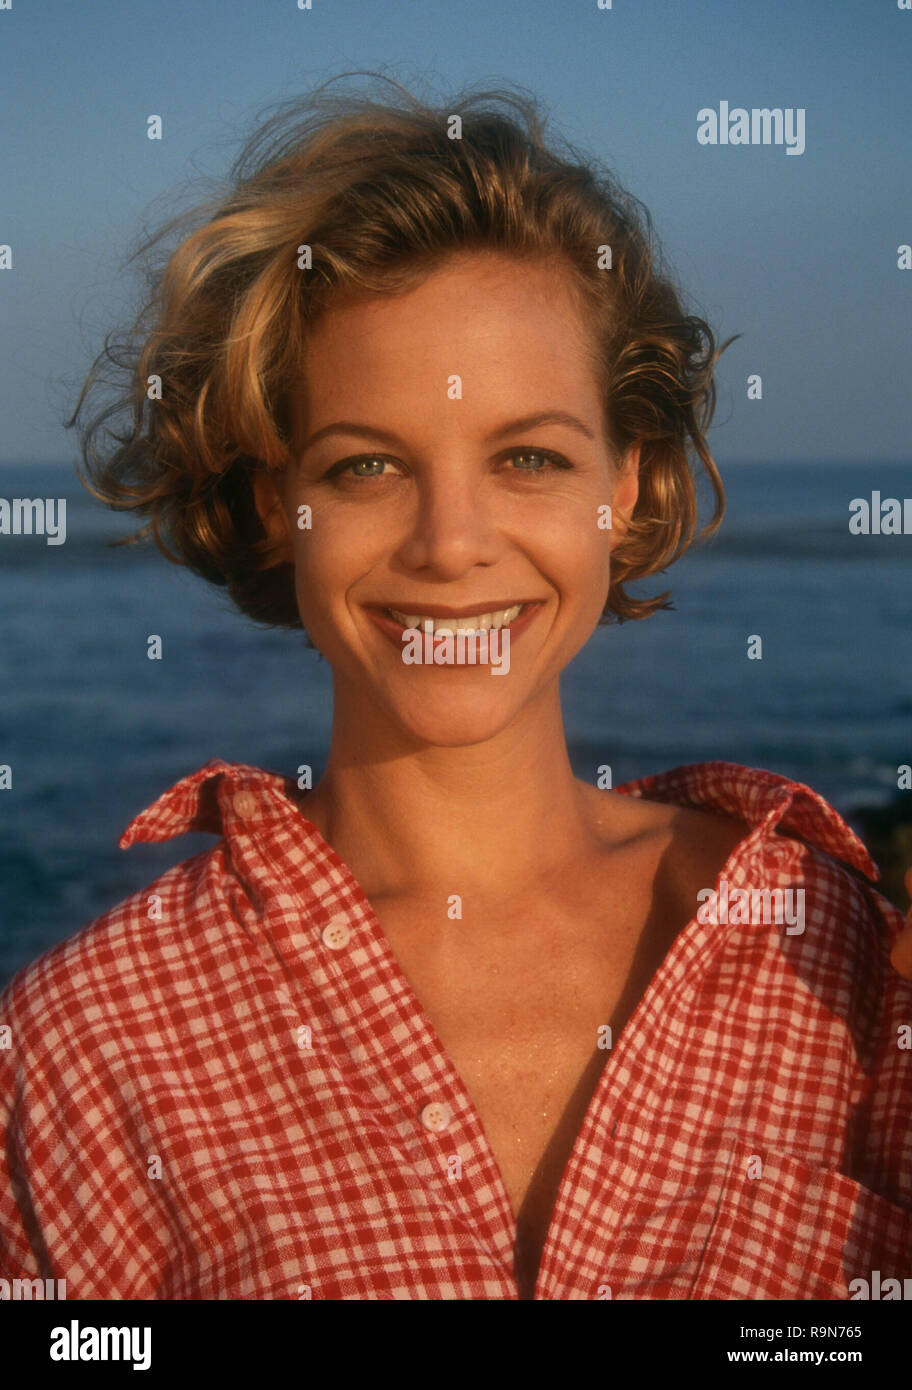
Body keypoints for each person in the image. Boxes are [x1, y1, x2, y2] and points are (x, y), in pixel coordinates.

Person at [1, 75, 910, 1302]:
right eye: (367, 463)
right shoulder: (82, 1045)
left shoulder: (850, 956)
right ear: (278, 502)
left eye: (530, 456)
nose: (452, 541)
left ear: (629, 486)